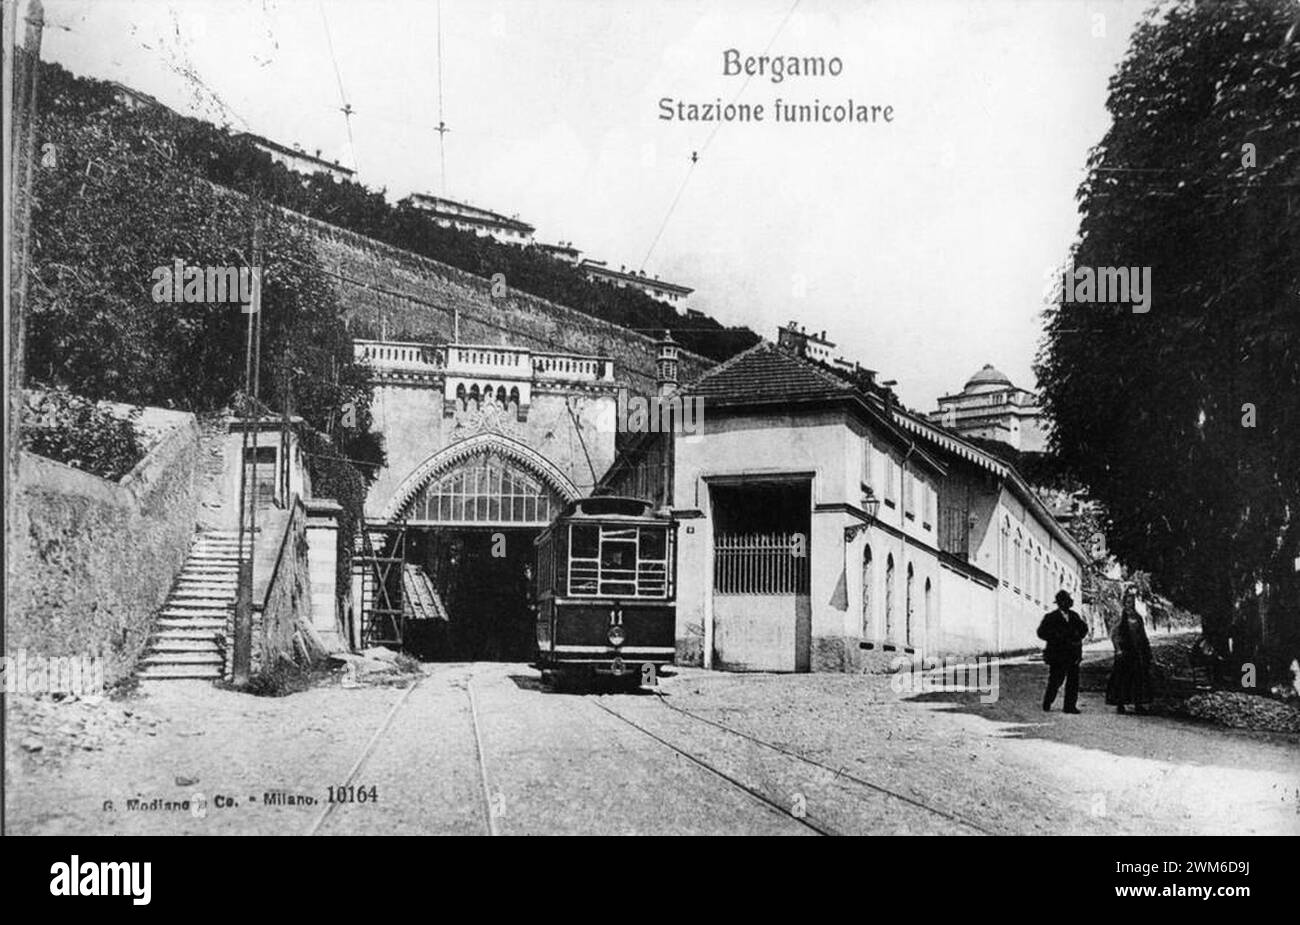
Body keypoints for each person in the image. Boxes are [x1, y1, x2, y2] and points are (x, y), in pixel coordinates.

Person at [1105, 586, 1154, 714]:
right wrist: (1118, 649)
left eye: (1132, 603)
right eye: (1127, 602)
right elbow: (1114, 635)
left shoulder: (1138, 618)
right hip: (1125, 652)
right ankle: (1120, 704)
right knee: (1123, 678)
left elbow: (1142, 635)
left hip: (1137, 652)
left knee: (1138, 678)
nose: (1129, 605)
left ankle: (1138, 704)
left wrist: (1146, 650)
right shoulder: (1120, 619)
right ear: (1124, 603)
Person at [1038, 590, 1088, 713]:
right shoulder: (1051, 617)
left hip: (1072, 654)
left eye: (1067, 601)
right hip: (1058, 655)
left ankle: (1069, 706)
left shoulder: (1074, 616)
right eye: (1063, 601)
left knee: (1073, 681)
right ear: (1059, 603)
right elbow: (1041, 632)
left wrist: (1077, 636)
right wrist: (1055, 637)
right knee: (1056, 680)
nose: (1065, 604)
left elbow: (1084, 629)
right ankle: (1048, 701)